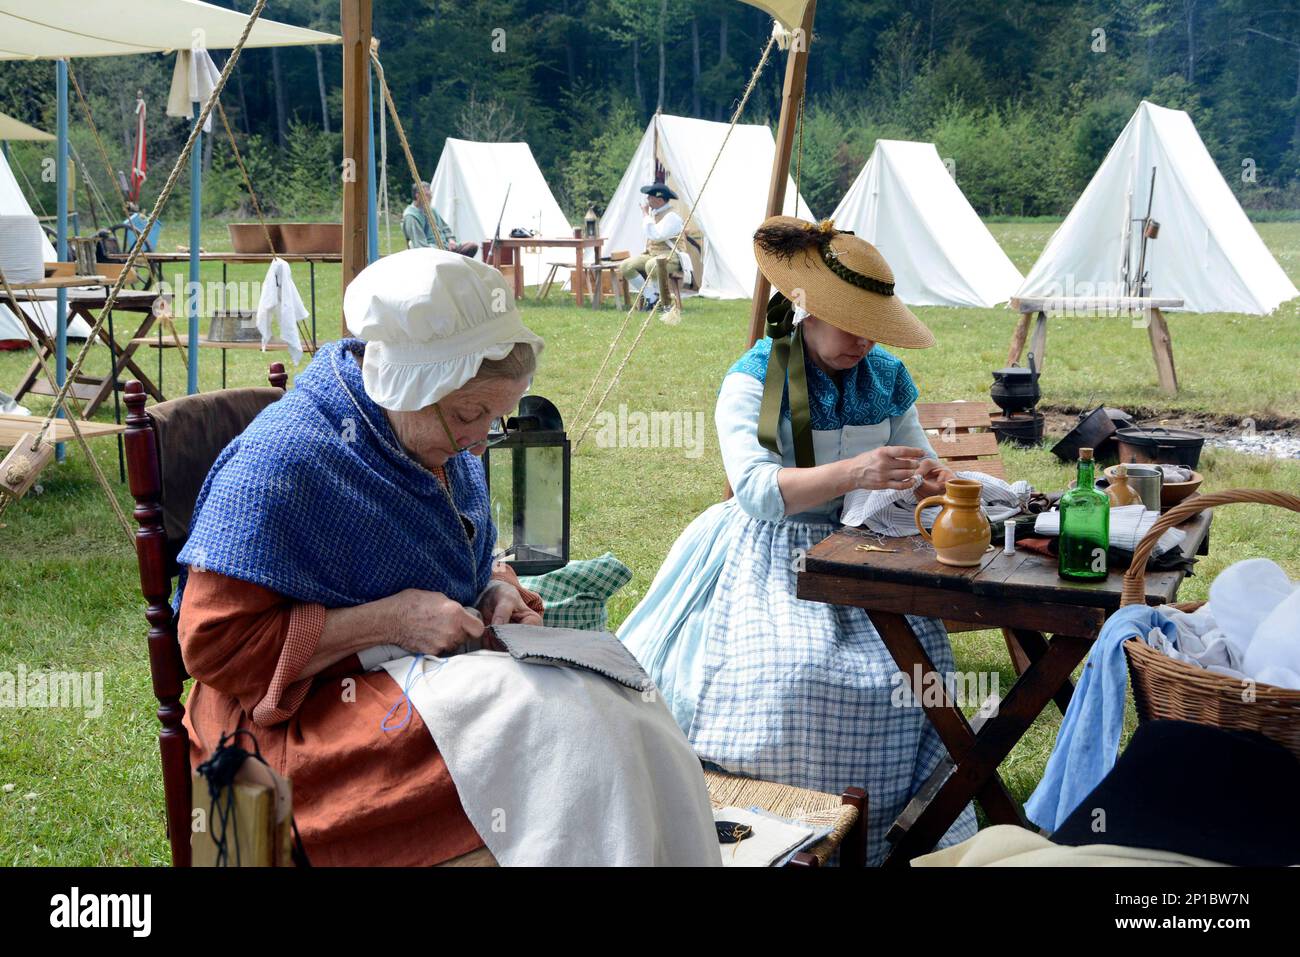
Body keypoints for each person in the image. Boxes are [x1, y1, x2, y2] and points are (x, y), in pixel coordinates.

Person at [173, 249, 714, 865]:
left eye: (497, 415)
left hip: (415, 675)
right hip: (305, 717)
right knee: (571, 731)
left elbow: (458, 552)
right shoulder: (283, 463)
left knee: (630, 705)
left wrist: (495, 586)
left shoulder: (434, 438)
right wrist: (393, 620)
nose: (482, 437)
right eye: (470, 415)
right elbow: (215, 647)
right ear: (408, 387)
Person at [619, 216, 976, 864]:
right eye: (852, 326)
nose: (865, 343)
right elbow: (755, 489)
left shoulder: (886, 377)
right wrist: (856, 472)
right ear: (809, 309)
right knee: (794, 676)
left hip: (863, 559)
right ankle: (777, 834)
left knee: (911, 679)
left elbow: (919, 457)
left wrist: (931, 478)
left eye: (876, 328)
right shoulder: (759, 376)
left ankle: (883, 831)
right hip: (766, 555)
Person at [617, 182, 691, 309]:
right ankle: (652, 297)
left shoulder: (672, 216)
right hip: (653, 255)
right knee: (626, 266)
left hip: (672, 256)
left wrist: (645, 215)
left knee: (652, 264)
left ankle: (665, 302)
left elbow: (657, 235)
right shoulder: (655, 213)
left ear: (659, 199)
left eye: (650, 197)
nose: (647, 199)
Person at [402, 181, 478, 257]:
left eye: (430, 194)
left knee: (471, 246)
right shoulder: (411, 216)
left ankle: (454, 263)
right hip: (433, 253)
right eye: (427, 195)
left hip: (446, 247)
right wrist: (440, 250)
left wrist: (451, 240)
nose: (431, 197)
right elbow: (420, 246)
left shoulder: (432, 210)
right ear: (418, 196)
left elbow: (445, 228)